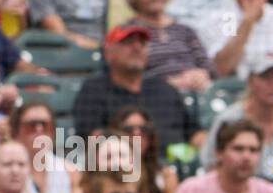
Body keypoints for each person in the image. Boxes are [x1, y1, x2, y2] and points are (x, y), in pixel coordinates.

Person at [73, 24, 203, 150]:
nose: (137, 47)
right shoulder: (94, 90)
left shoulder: (164, 89)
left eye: (142, 43)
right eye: (128, 42)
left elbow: (194, 134)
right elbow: (90, 139)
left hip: (177, 166)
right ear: (108, 53)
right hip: (121, 166)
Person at [198, 52, 273, 182]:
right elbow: (211, 166)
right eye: (265, 77)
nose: (272, 84)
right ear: (250, 82)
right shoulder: (229, 120)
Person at [120, 0, 214, 93]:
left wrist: (200, 75)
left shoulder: (185, 30)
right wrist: (172, 83)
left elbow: (209, 68)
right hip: (153, 98)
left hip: (196, 94)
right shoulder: (128, 33)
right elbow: (127, 76)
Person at [109, 105, 179, 193]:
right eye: (128, 129)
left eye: (144, 129)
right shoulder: (104, 172)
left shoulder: (166, 176)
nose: (137, 134)